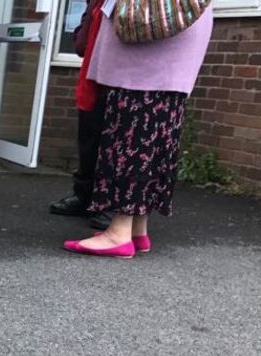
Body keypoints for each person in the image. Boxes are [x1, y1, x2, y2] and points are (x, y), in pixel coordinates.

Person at [63, 3, 213, 258]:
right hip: (171, 31)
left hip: (145, 40)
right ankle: (136, 228)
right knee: (156, 131)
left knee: (131, 135)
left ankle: (118, 232)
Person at [48, 0, 111, 230]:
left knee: (111, 143)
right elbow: (84, 36)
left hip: (118, 76)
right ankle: (84, 195)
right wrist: (80, 34)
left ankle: (106, 204)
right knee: (89, 138)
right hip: (93, 75)